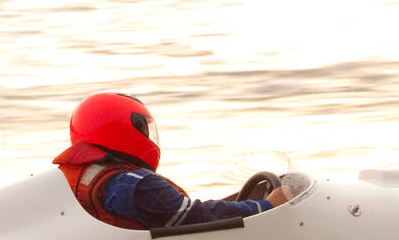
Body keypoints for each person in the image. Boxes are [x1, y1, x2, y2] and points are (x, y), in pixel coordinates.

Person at [53, 92, 289, 230]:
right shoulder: (136, 185)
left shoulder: (75, 175)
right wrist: (265, 207)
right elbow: (192, 215)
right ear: (126, 130)